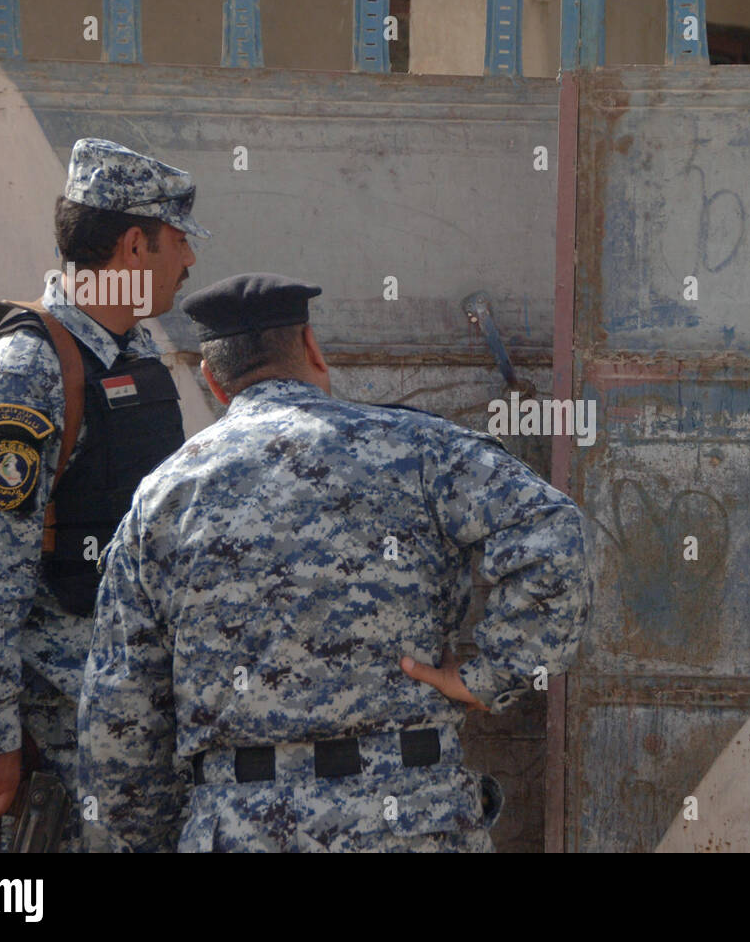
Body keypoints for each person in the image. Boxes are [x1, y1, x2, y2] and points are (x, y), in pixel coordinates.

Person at [78, 273, 592, 852]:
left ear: (212, 381)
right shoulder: (421, 448)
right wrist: (486, 677)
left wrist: (142, 839)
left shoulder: (163, 498)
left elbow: (120, 704)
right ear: (313, 349)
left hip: (240, 828)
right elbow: (551, 530)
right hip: (410, 821)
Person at [0, 138, 209, 851]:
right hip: (53, 755)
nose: (190, 260)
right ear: (135, 244)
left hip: (132, 753)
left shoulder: (132, 356)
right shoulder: (24, 371)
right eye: (179, 240)